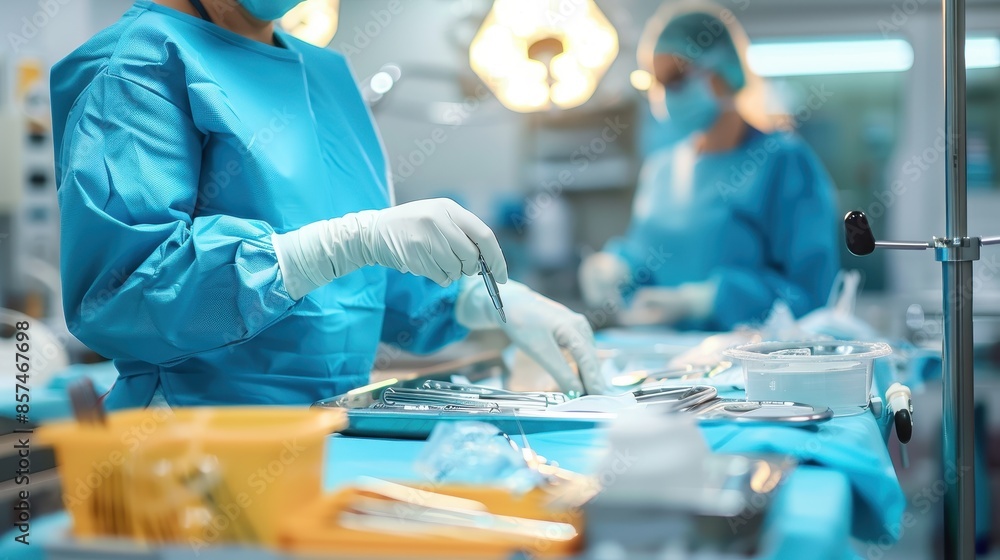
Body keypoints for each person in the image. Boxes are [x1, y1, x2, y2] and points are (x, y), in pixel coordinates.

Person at [51, 0, 606, 409]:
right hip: (193, 443)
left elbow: (369, 281)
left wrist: (485, 300)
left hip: (336, 432)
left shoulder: (326, 75)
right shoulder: (135, 66)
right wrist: (336, 245)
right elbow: (123, 293)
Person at [579, 4, 839, 331]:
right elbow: (646, 261)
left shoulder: (784, 163)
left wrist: (713, 298)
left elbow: (811, 297)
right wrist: (617, 268)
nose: (664, 94)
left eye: (675, 77)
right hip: (664, 362)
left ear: (721, 69)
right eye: (655, 81)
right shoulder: (661, 169)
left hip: (749, 365)